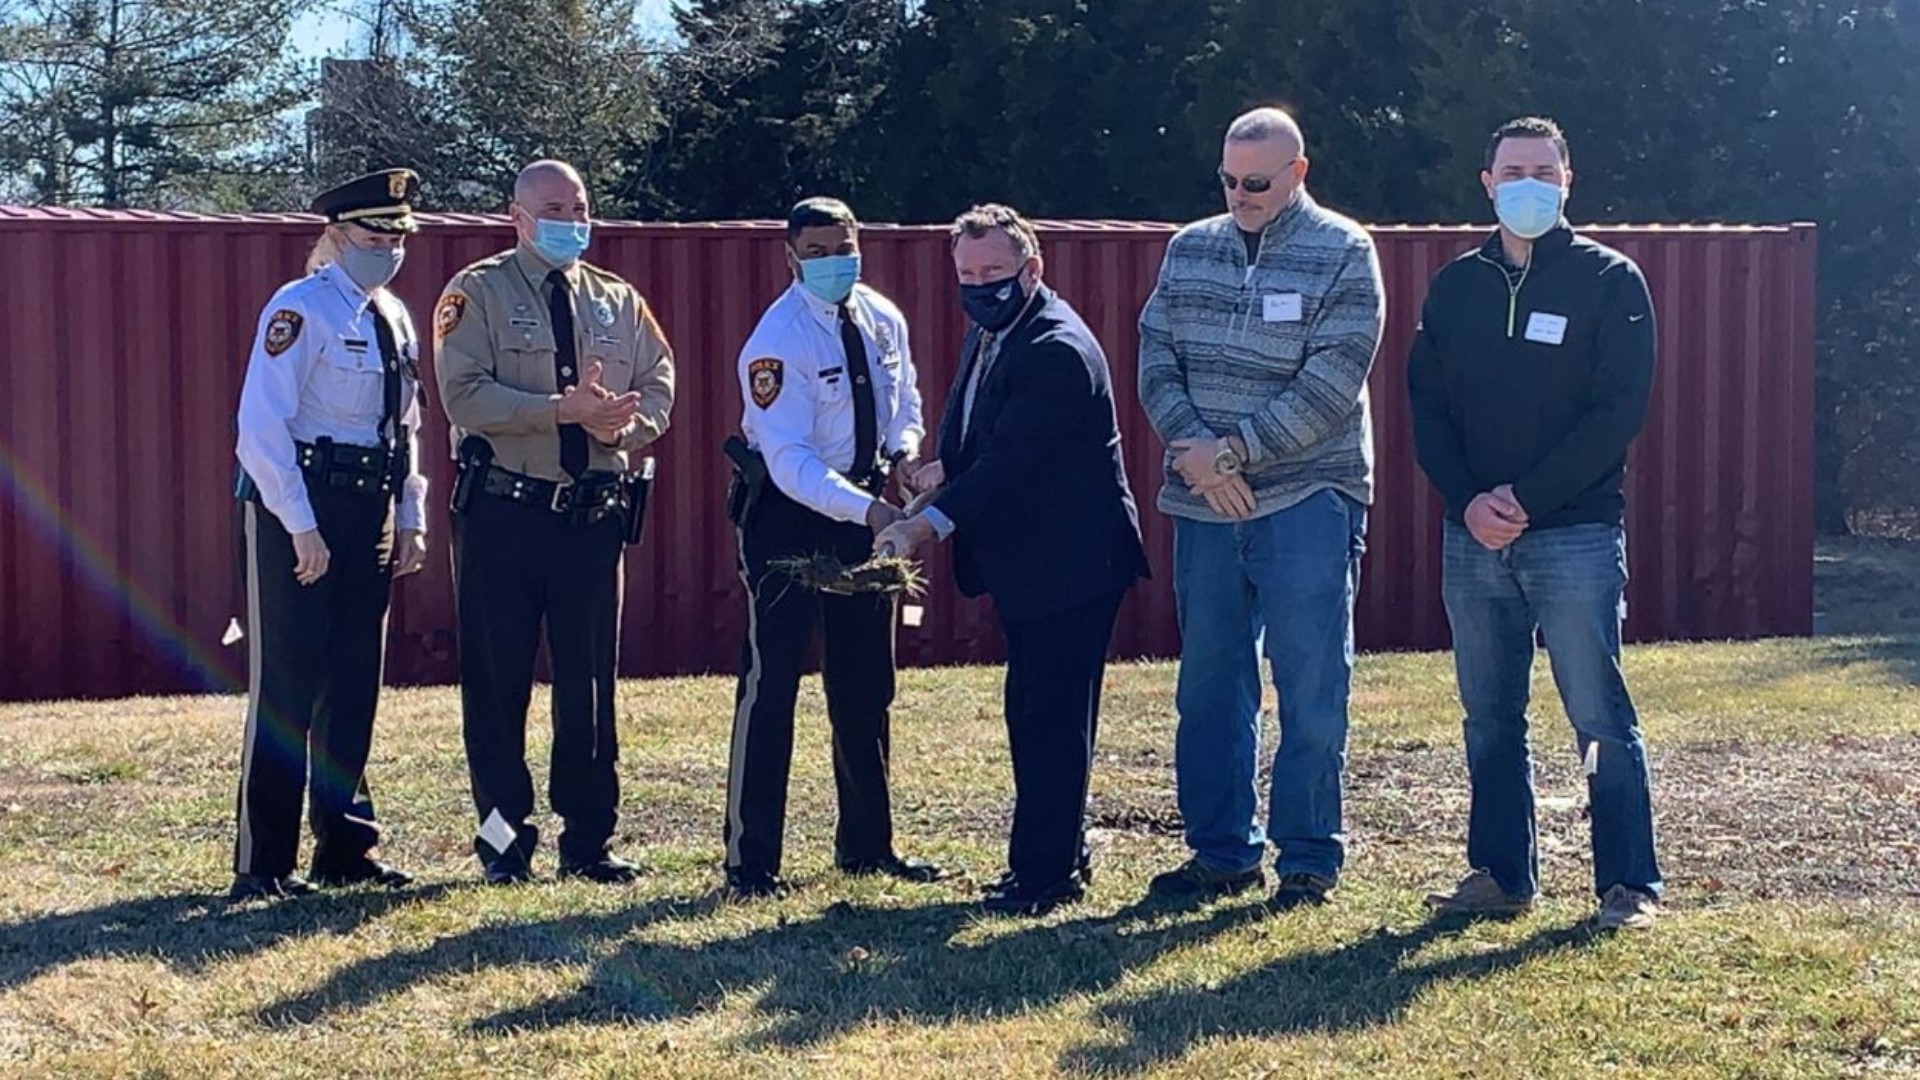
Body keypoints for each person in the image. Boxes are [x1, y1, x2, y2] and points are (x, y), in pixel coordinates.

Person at [1409, 116, 1662, 931]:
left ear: (1567, 180)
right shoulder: (1455, 287)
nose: (1528, 183)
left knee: (1596, 716)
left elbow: (1616, 411)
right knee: (1489, 715)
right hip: (1473, 537)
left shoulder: (1611, 282)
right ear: (1486, 183)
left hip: (1574, 533)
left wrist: (1528, 499)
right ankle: (1500, 873)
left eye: (1543, 171)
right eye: (1512, 170)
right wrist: (1468, 501)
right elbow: (1427, 408)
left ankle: (1627, 884)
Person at [1135, 107, 1382, 911]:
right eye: (1229, 180)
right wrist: (1197, 455)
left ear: (1299, 173)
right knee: (1209, 686)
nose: (1240, 194)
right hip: (1204, 501)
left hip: (1309, 496)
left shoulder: (1346, 251)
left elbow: (1331, 383)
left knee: (1311, 680)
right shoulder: (1189, 247)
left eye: (1258, 182)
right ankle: (1221, 853)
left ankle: (1308, 858)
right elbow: (1155, 358)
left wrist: (1233, 452)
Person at [875, 203, 1149, 917]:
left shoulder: (1055, 346)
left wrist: (923, 527)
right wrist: (942, 467)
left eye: (994, 272)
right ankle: (1055, 855)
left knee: (1051, 717)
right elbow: (981, 427)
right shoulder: (998, 329)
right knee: (1031, 711)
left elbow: (1011, 464)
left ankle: (1044, 875)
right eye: (967, 274)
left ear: (1034, 268)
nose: (979, 285)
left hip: (1073, 563)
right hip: (1031, 562)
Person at [433, 159, 675, 885]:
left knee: (590, 684)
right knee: (497, 684)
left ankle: (589, 842)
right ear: (518, 216)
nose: (571, 219)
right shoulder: (475, 291)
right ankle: (505, 843)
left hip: (592, 518)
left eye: (579, 205)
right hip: (505, 513)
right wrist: (558, 411)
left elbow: (659, 383)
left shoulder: (617, 299)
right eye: (553, 208)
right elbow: (463, 396)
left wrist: (617, 430)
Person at [722, 197, 944, 900]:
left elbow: (905, 396)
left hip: (867, 509)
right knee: (774, 684)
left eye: (842, 247)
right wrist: (871, 506)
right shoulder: (776, 339)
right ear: (791, 258)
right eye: (815, 252)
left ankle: (868, 846)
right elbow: (789, 460)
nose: (832, 262)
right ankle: (752, 861)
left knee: (865, 681)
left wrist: (904, 454)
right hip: (789, 520)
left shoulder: (882, 317)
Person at [228, 168, 430, 901]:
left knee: (353, 681)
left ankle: (344, 847)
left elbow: (404, 425)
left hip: (369, 503)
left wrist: (410, 517)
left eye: (396, 239)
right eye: (374, 237)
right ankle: (263, 862)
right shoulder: (300, 308)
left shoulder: (396, 316)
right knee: (287, 683)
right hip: (298, 503)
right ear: (338, 236)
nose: (387, 251)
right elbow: (260, 429)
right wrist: (302, 526)